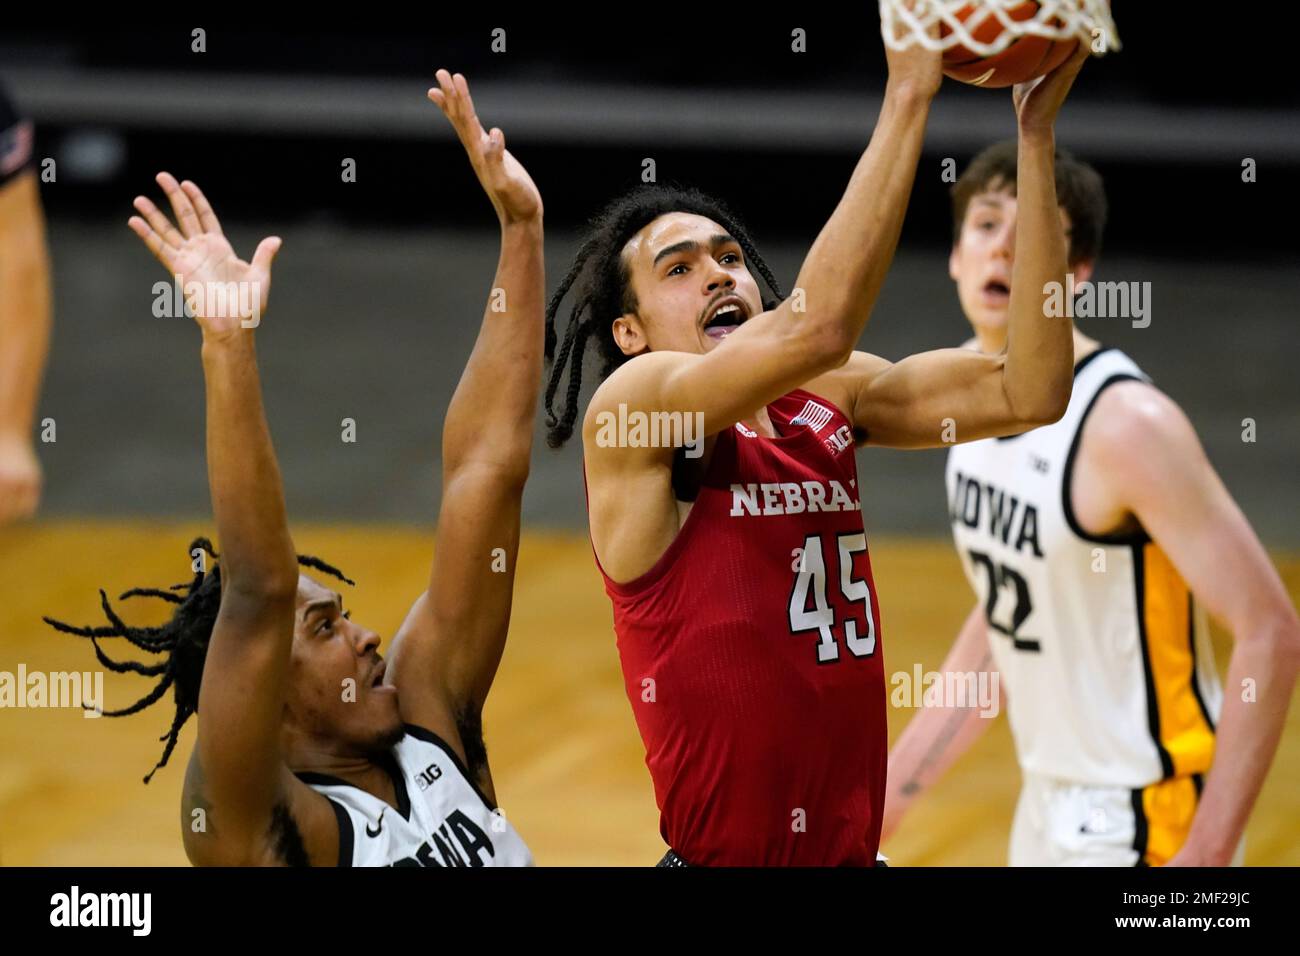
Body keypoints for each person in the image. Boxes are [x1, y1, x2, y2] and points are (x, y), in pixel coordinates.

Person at [542, 41, 1091, 864]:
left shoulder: (828, 398)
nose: (719, 274)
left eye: (730, 257)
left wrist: (1035, 139)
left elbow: (1032, 392)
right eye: (680, 269)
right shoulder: (636, 414)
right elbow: (820, 323)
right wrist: (910, 93)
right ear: (630, 332)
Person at [45, 71, 544, 867]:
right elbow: (261, 587)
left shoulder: (431, 723)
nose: (368, 635)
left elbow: (486, 468)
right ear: (263, 692)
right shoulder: (274, 834)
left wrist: (521, 230)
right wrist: (229, 346)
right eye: (326, 628)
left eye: (341, 617)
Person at [881, 140, 1300, 866]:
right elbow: (1007, 616)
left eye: (1033, 231)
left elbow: (1271, 631)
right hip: (1047, 809)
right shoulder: (965, 404)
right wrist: (886, 802)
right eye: (984, 225)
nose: (1004, 249)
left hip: (1146, 820)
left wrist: (1205, 859)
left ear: (1074, 275)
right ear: (953, 255)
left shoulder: (1126, 424)